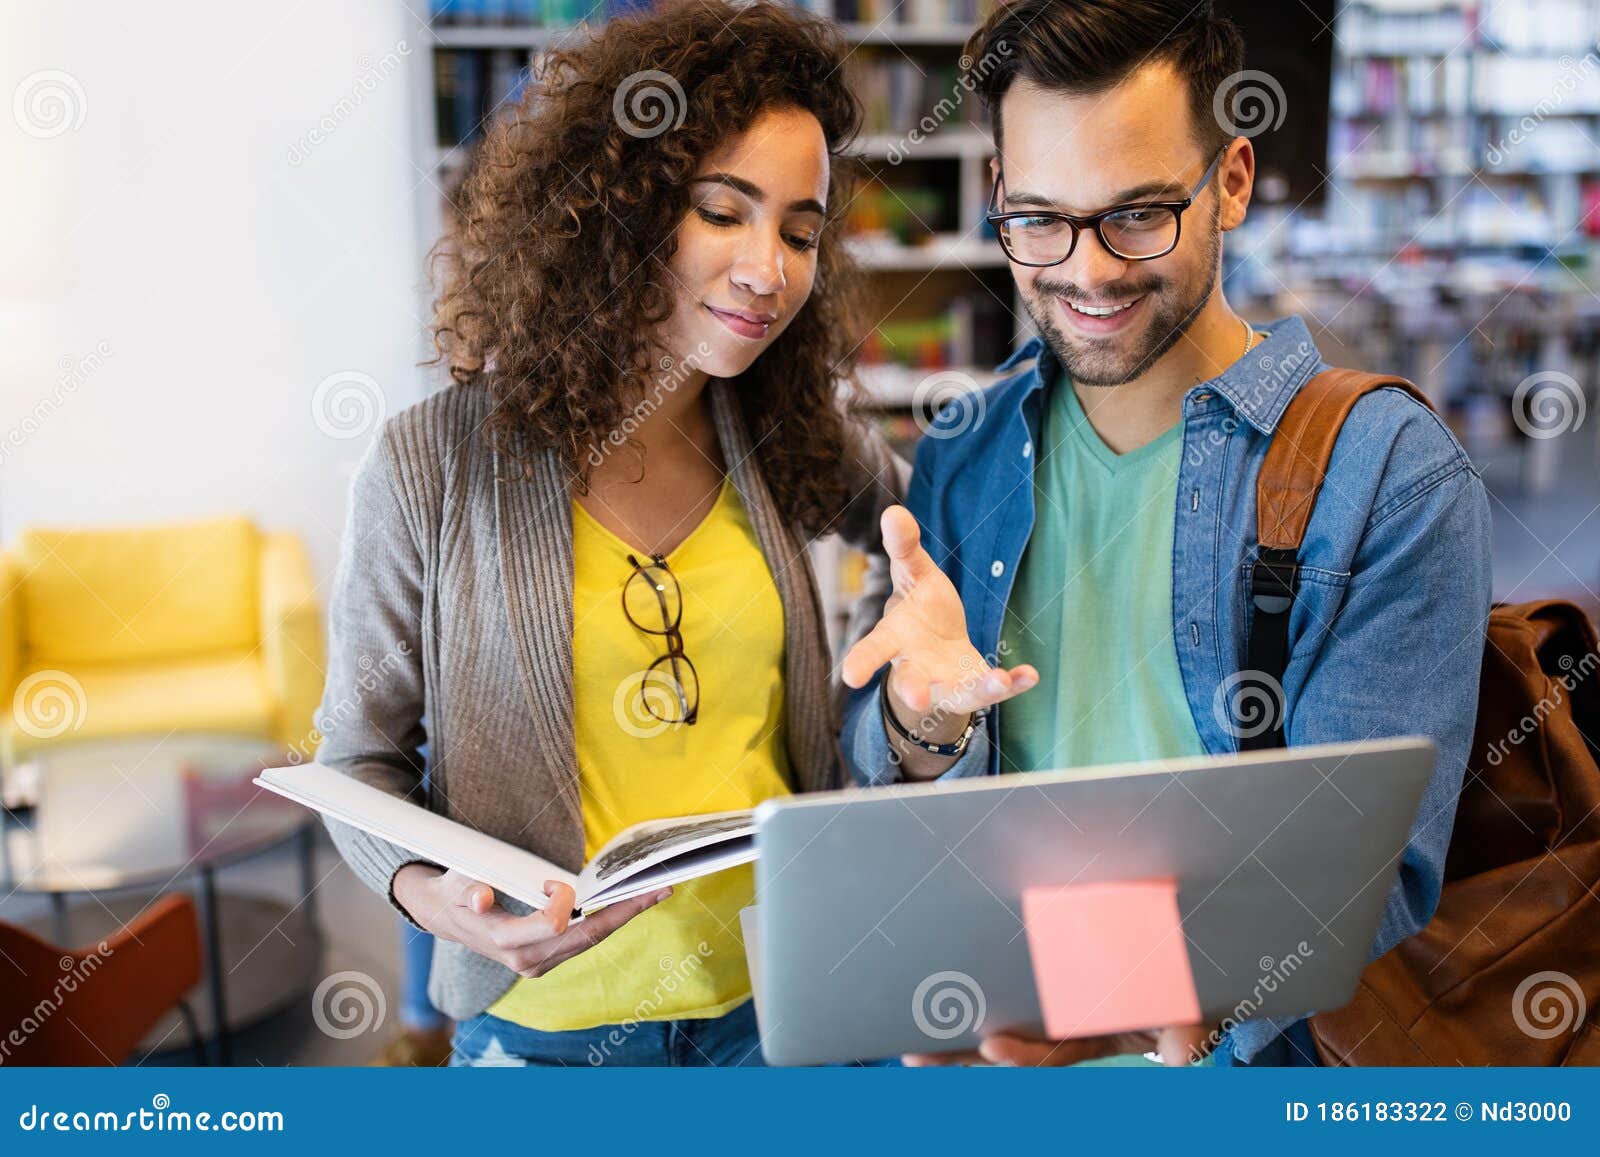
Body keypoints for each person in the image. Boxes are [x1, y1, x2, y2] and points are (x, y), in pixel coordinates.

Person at [839, 0, 1493, 1068]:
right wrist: (916, 720)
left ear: (1230, 181)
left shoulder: (1388, 473)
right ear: (996, 194)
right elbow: (888, 773)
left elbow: (1369, 866)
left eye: (1138, 214)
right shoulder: (965, 449)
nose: (1087, 272)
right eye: (1040, 218)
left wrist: (1103, 994)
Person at [317, 0, 899, 1067]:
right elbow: (356, 758)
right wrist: (435, 899)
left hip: (786, 1007)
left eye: (802, 231)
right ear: (620, 210)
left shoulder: (785, 433)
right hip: (544, 1036)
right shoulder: (432, 465)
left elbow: (934, 532)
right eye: (724, 212)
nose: (770, 268)